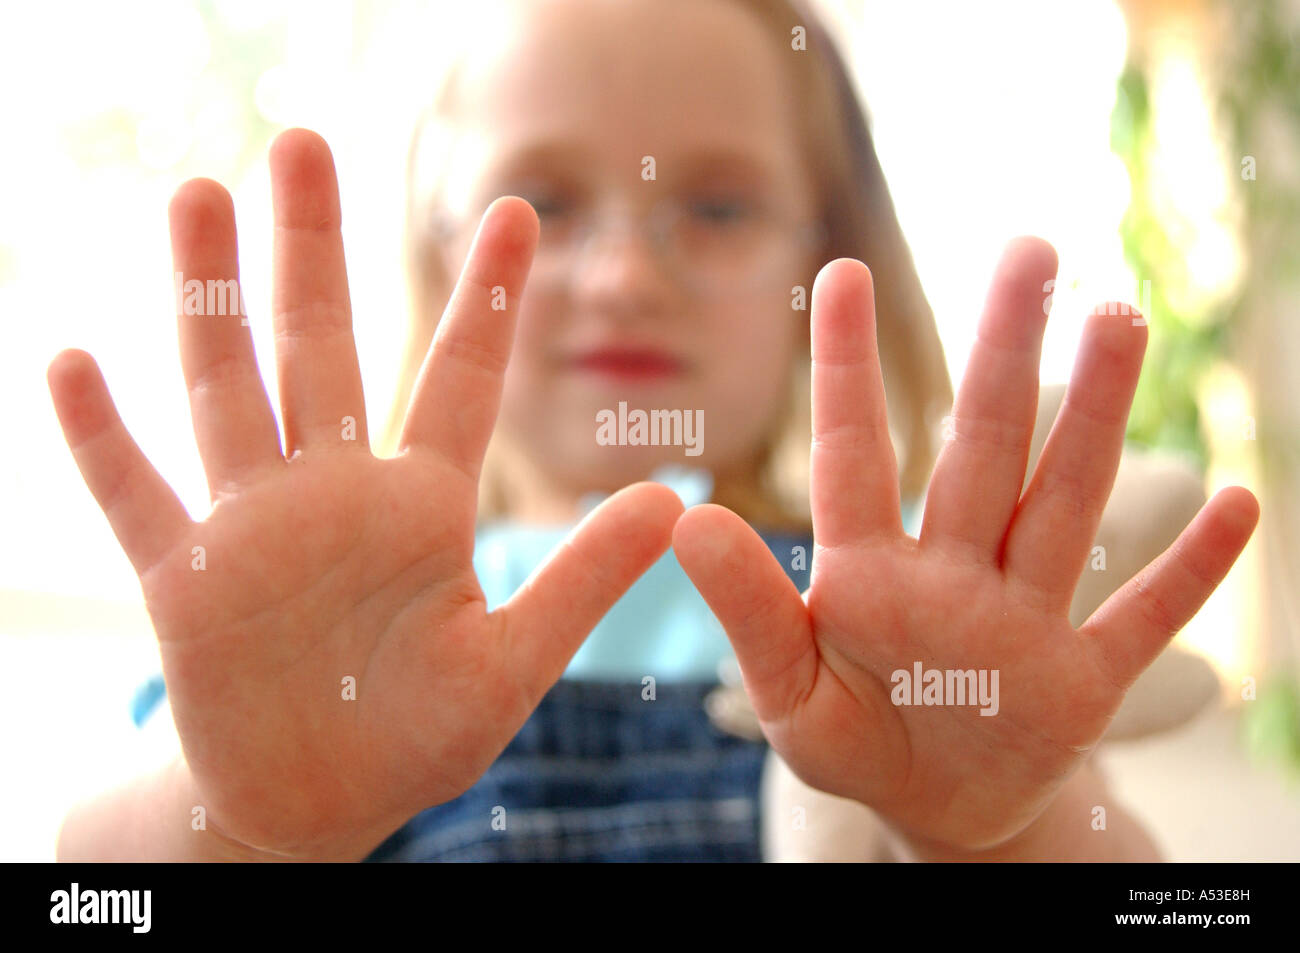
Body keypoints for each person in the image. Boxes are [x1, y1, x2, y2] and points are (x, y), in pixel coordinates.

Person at [49, 0, 1258, 862]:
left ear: (826, 265)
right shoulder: (312, 620)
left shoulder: (888, 612)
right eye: (544, 201)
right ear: (435, 246)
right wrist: (238, 822)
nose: (624, 270)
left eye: (719, 206)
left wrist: (982, 828)